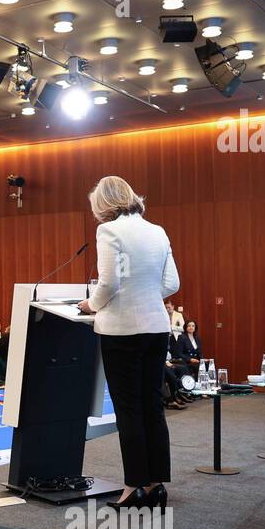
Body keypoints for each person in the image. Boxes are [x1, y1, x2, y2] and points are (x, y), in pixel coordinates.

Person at [77, 176, 178, 509]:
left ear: (104, 204)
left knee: (129, 409)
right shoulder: (158, 230)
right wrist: (145, 294)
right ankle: (156, 484)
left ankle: (133, 486)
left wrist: (90, 304)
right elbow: (172, 283)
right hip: (156, 327)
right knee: (152, 405)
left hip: (122, 331)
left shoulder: (109, 231)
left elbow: (108, 283)